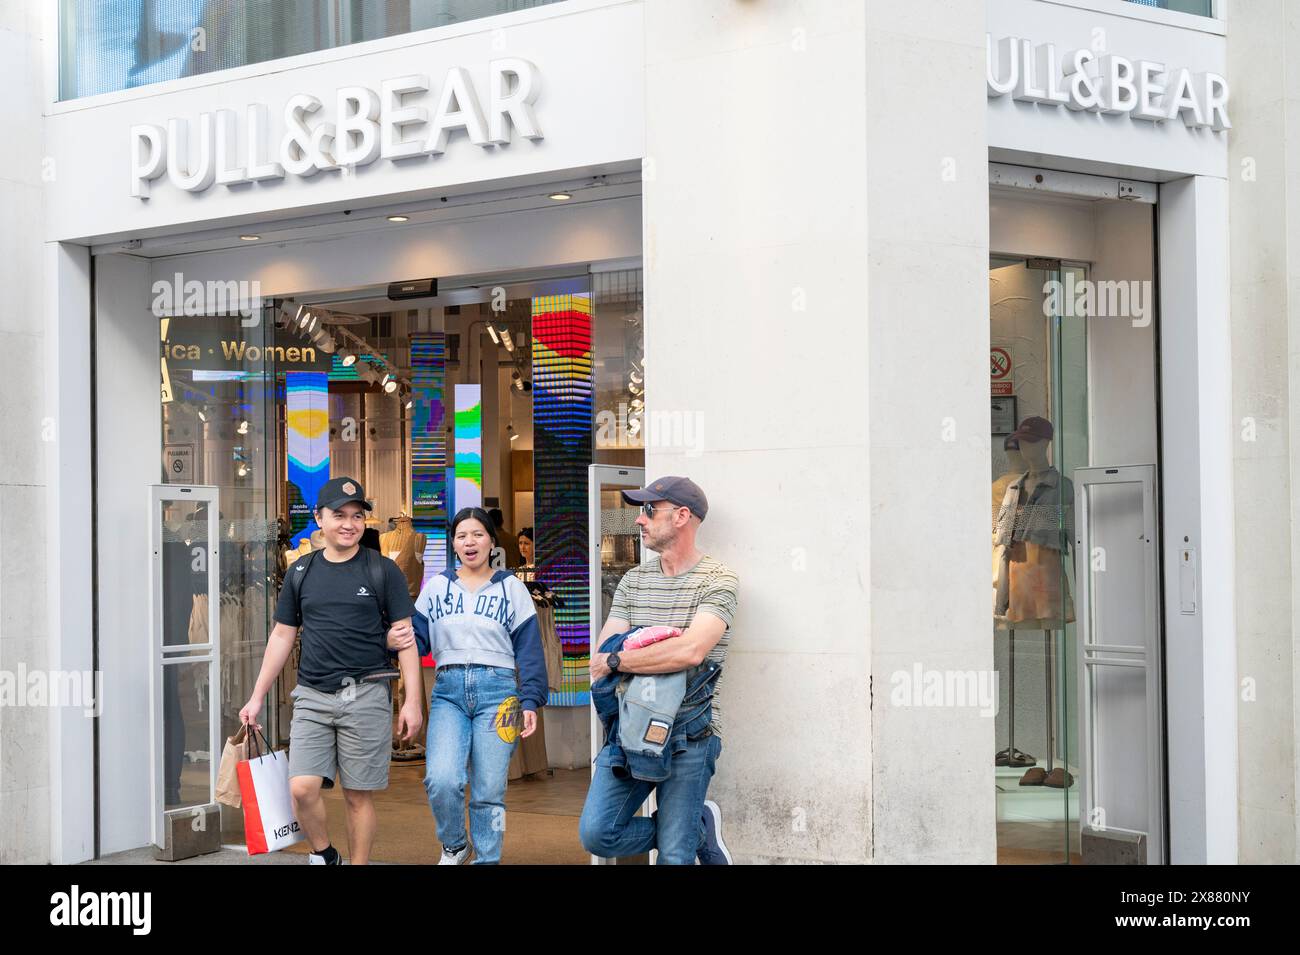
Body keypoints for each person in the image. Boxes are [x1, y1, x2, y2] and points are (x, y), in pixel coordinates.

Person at [239, 477, 423, 865]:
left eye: (357, 516)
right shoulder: (301, 571)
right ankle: (325, 853)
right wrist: (257, 697)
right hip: (312, 696)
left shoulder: (382, 570)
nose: (349, 523)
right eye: (339, 515)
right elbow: (281, 636)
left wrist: (412, 704)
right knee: (302, 789)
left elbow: (405, 639)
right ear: (319, 519)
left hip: (368, 694)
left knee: (358, 796)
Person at [578, 476, 739, 865]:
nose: (639, 519)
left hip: (690, 732)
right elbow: (599, 659)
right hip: (629, 728)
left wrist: (624, 656)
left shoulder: (719, 580)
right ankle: (695, 830)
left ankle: (683, 835)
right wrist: (626, 655)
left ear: (682, 516)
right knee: (598, 833)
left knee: (673, 855)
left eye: (650, 510)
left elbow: (692, 651)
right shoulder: (633, 581)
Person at [387, 507, 548, 864]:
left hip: (500, 694)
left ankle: (487, 858)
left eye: (477, 534)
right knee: (441, 779)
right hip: (449, 692)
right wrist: (392, 636)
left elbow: (530, 651)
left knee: (490, 790)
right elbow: (418, 640)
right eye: (462, 536)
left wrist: (530, 700)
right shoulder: (438, 587)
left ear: (492, 540)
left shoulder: (513, 588)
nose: (469, 542)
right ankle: (456, 844)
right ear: (454, 543)